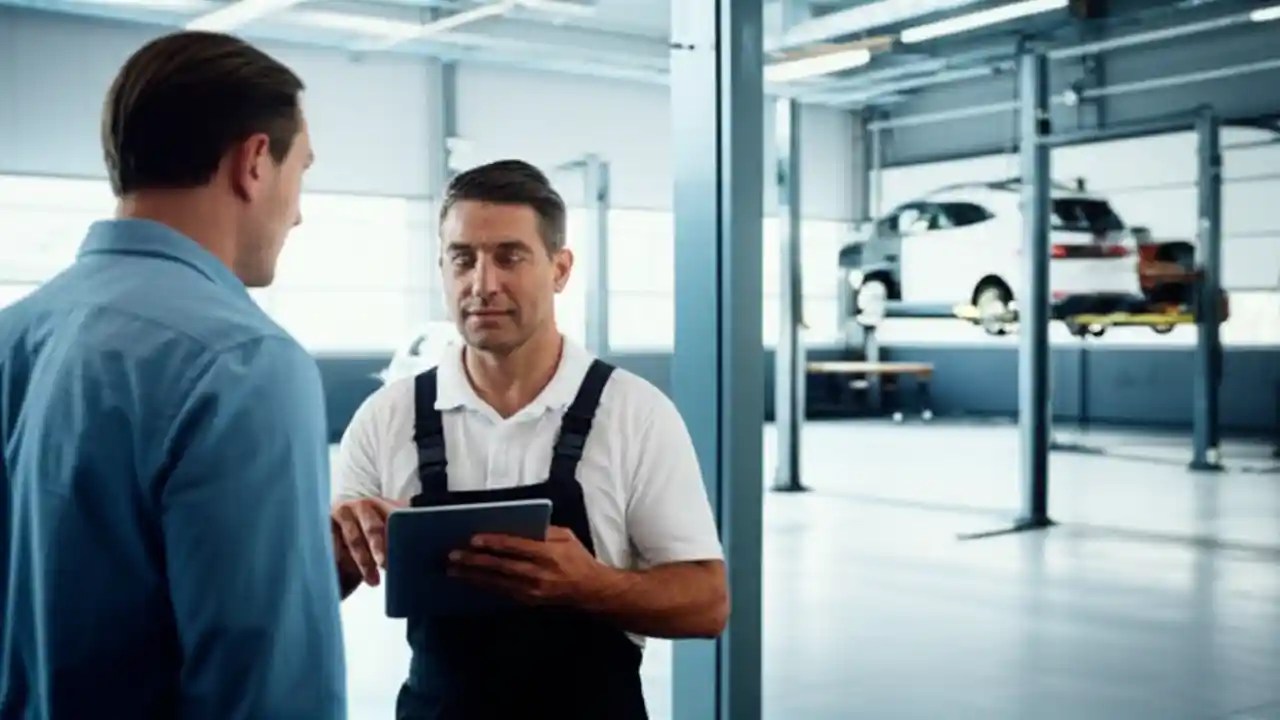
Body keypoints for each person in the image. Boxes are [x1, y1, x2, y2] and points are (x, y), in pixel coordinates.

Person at [0, 31, 346, 719]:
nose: (299, 210)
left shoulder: (15, 334)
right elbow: (268, 692)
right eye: (300, 170)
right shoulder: (245, 363)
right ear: (253, 162)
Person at [331, 159, 729, 719]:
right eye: (463, 258)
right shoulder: (385, 418)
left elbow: (707, 605)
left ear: (560, 269)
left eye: (510, 257)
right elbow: (316, 592)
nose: (483, 284)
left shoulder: (635, 414)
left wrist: (590, 586)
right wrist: (339, 548)